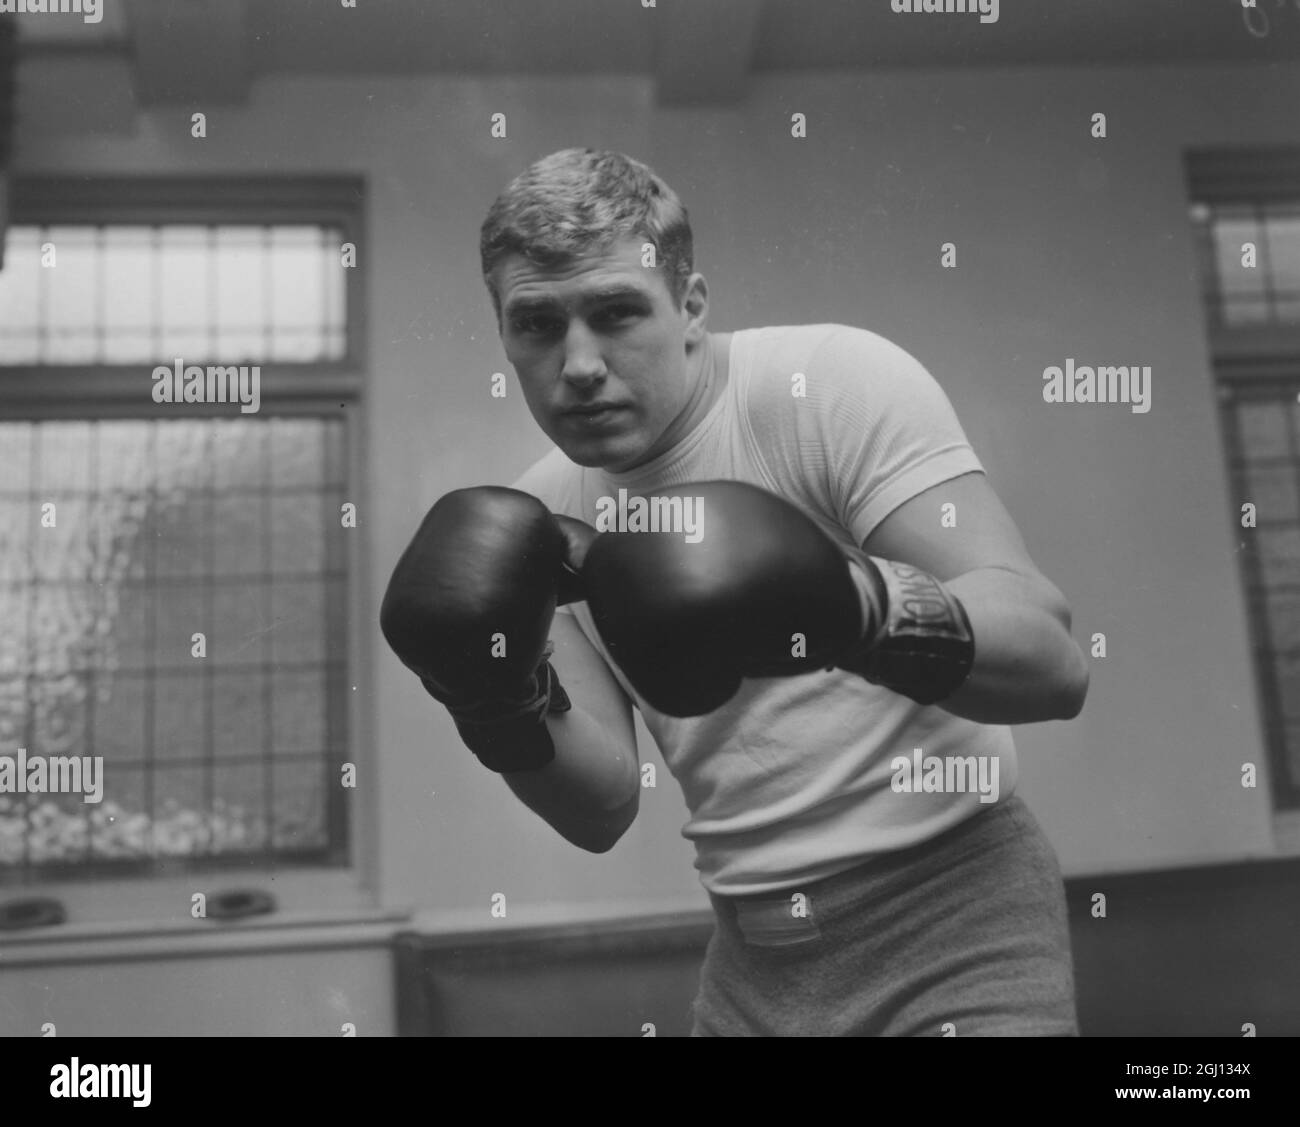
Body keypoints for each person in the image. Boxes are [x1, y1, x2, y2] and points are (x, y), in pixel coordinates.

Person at [381, 148, 1089, 1036]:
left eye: (615, 312)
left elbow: (1056, 662)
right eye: (537, 325)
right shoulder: (542, 521)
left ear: (691, 306)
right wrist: (493, 699)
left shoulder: (826, 389)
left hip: (958, 917)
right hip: (753, 960)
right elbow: (601, 805)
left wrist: (854, 607)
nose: (580, 364)